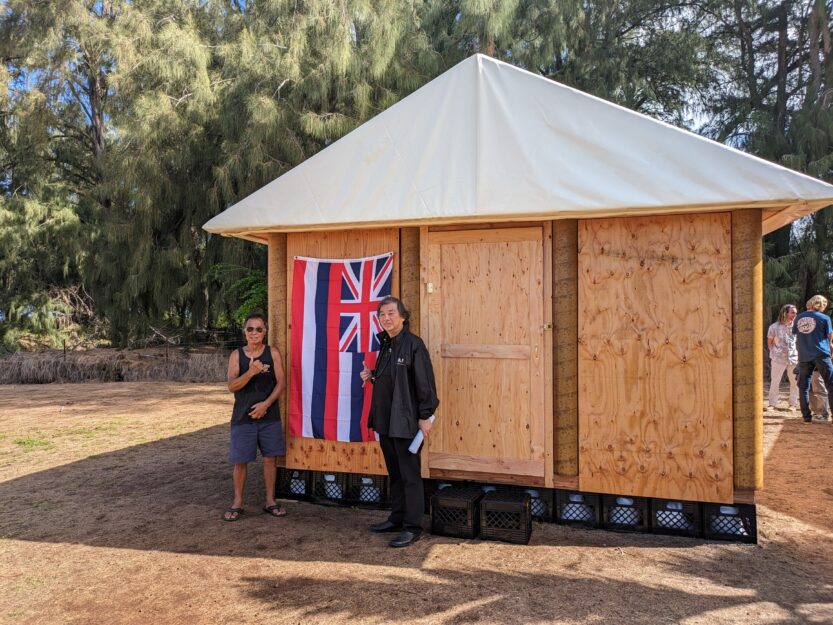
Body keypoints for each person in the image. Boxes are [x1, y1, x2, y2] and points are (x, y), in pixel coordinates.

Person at [360, 297, 439, 547]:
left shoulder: (414, 345)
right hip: (386, 422)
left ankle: (412, 526)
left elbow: (425, 384)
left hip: (405, 424)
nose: (386, 318)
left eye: (391, 313)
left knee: (409, 476)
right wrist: (371, 376)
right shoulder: (386, 344)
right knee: (395, 474)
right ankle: (396, 518)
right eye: (382, 314)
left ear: (403, 316)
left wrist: (425, 416)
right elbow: (392, 381)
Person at [223, 312, 287, 521]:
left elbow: (281, 383)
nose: (254, 333)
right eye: (250, 329)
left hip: (269, 417)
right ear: (245, 332)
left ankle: (270, 501)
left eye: (259, 329)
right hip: (243, 418)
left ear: (265, 332)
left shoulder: (273, 353)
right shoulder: (236, 356)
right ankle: (237, 503)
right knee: (240, 461)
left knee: (270, 459)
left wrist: (266, 404)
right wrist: (251, 372)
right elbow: (232, 386)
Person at [793, 295, 833, 424]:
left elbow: (797, 336)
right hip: (822, 355)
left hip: (804, 356)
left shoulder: (798, 318)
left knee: (803, 387)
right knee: (830, 384)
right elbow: (830, 337)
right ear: (820, 305)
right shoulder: (824, 318)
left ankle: (806, 417)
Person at [767, 304, 798, 410]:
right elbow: (769, 341)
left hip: (794, 358)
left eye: (796, 312)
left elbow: (798, 342)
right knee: (775, 381)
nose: (795, 314)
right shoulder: (774, 327)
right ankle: (772, 404)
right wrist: (774, 352)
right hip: (778, 359)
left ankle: (792, 404)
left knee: (795, 382)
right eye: (792, 312)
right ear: (785, 313)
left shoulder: (797, 326)